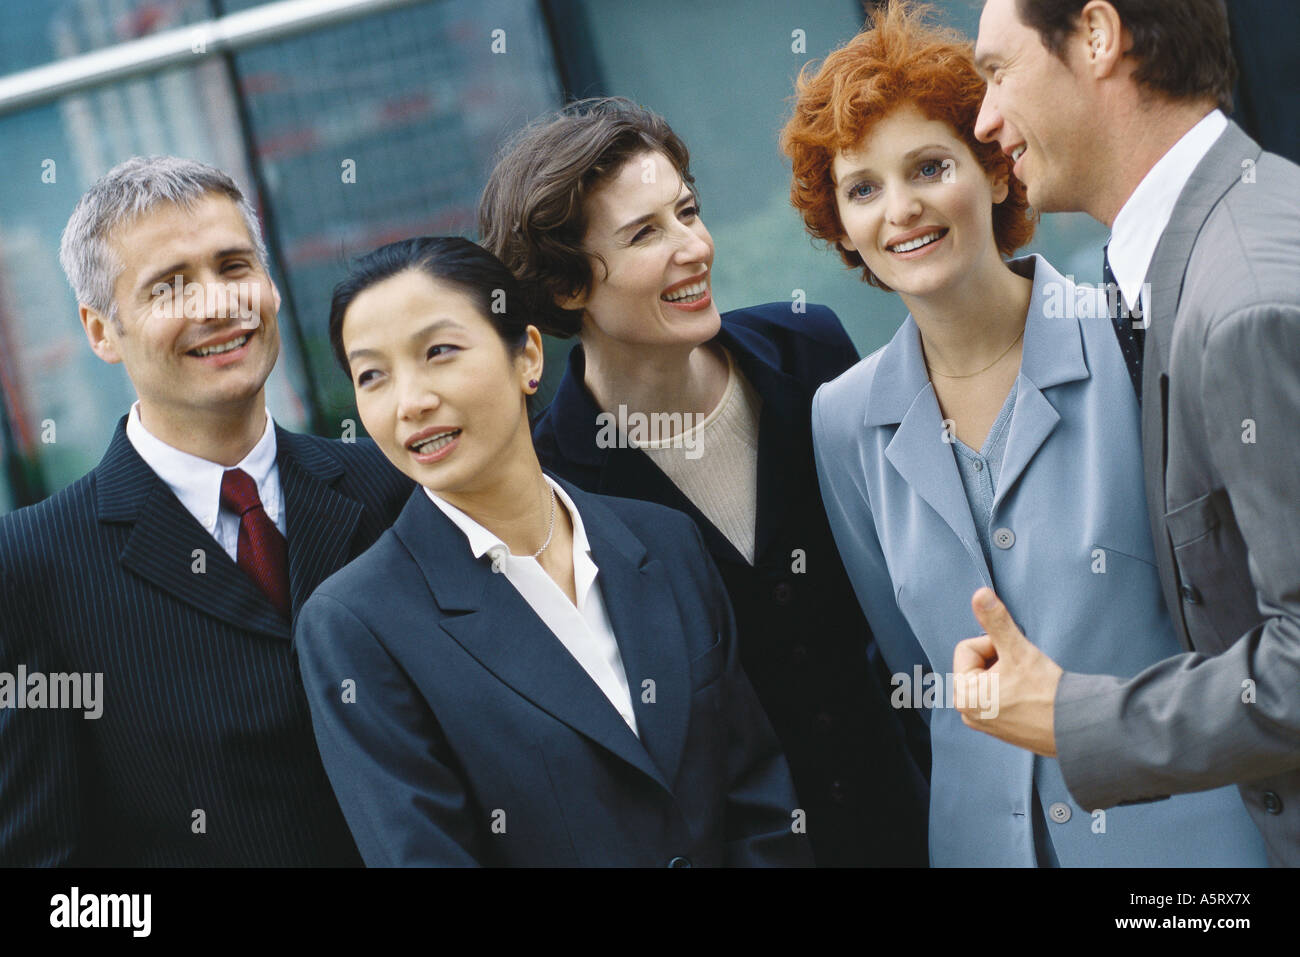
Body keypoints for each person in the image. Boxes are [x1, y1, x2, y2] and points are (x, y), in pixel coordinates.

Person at [785, 2, 1267, 865]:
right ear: (842, 226)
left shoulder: (1129, 334)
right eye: (863, 188)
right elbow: (920, 675)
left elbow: (1225, 618)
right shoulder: (843, 419)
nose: (901, 209)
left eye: (929, 166)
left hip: (1186, 856)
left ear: (998, 170)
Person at [479, 97, 930, 867]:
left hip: (925, 820)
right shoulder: (554, 482)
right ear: (564, 287)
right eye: (646, 233)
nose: (692, 246)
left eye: (687, 211)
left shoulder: (811, 350)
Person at [293, 236, 811, 867]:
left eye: (439, 352)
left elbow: (759, 799)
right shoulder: (357, 624)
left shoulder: (664, 542)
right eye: (372, 375)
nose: (411, 402)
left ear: (527, 357)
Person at [957, 0, 1300, 866]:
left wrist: (1070, 715)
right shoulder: (1232, 232)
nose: (986, 121)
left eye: (999, 72)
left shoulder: (1244, 301)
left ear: (1099, 36)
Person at [0, 156, 413, 866]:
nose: (217, 303)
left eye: (233, 266)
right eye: (169, 285)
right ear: (101, 331)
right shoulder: (33, 562)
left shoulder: (393, 487)